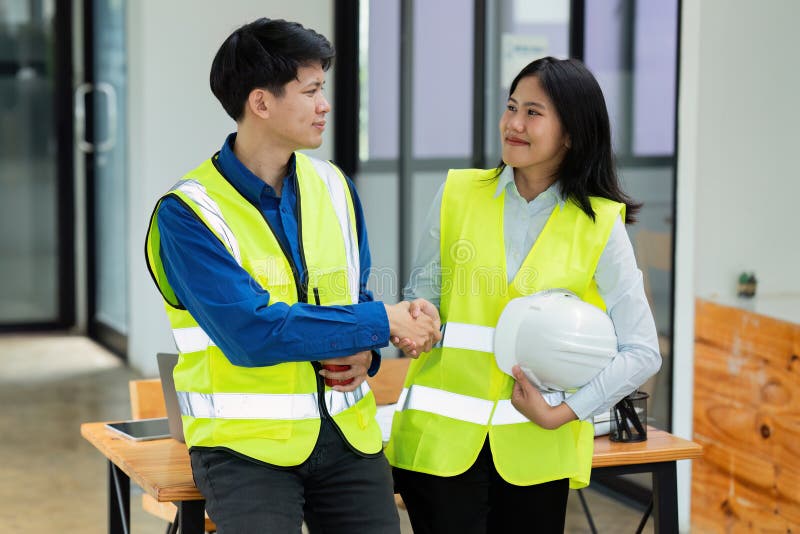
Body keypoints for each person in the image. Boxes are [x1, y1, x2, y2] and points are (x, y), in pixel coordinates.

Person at [144, 18, 439, 534]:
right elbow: (251, 333)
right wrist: (382, 322)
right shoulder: (188, 213)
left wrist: (366, 354)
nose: (324, 104)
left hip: (348, 435)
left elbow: (355, 295)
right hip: (244, 449)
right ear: (261, 103)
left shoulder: (334, 187)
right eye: (311, 91)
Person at [386, 57, 662, 533]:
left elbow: (641, 351)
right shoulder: (457, 193)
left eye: (533, 113)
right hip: (440, 448)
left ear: (571, 132)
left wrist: (565, 413)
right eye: (511, 107)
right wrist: (416, 324)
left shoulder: (600, 224)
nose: (513, 123)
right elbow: (423, 298)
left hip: (537, 452)